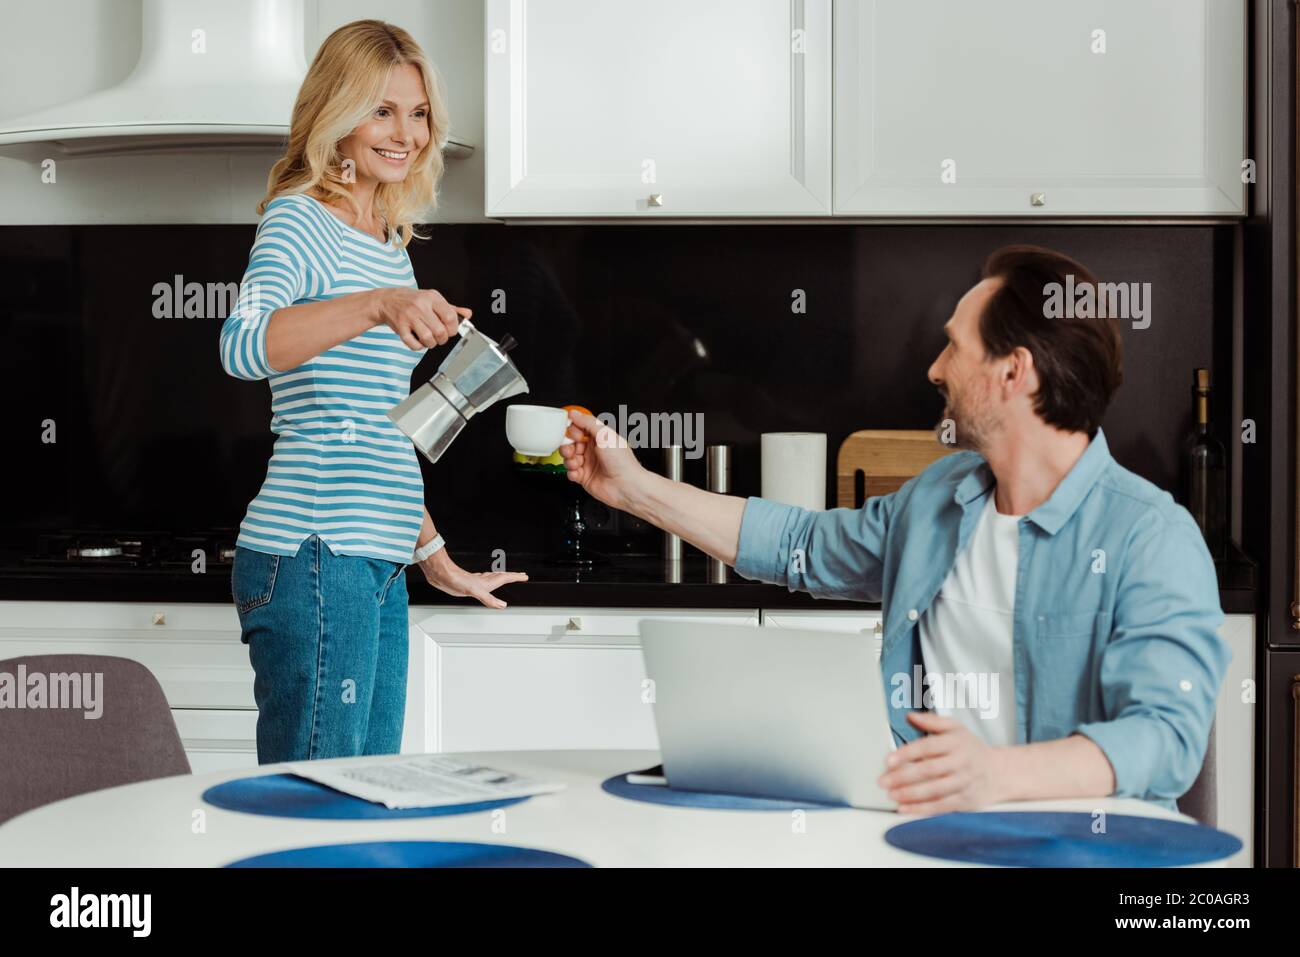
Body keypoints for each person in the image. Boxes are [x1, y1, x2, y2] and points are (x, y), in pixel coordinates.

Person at [559, 244, 1229, 814]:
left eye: (954, 346)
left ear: (1013, 371)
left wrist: (996, 775)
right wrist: (634, 488)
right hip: (920, 837)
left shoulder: (1151, 538)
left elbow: (1167, 738)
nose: (935, 368)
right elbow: (799, 545)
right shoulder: (939, 498)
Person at [219, 21, 525, 764]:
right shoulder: (300, 218)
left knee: (369, 792)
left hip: (375, 564)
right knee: (321, 801)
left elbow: (378, 425)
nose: (406, 133)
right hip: (315, 553)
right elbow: (240, 345)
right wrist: (378, 306)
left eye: (418, 113)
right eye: (381, 110)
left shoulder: (389, 243)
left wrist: (434, 555)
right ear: (337, 114)